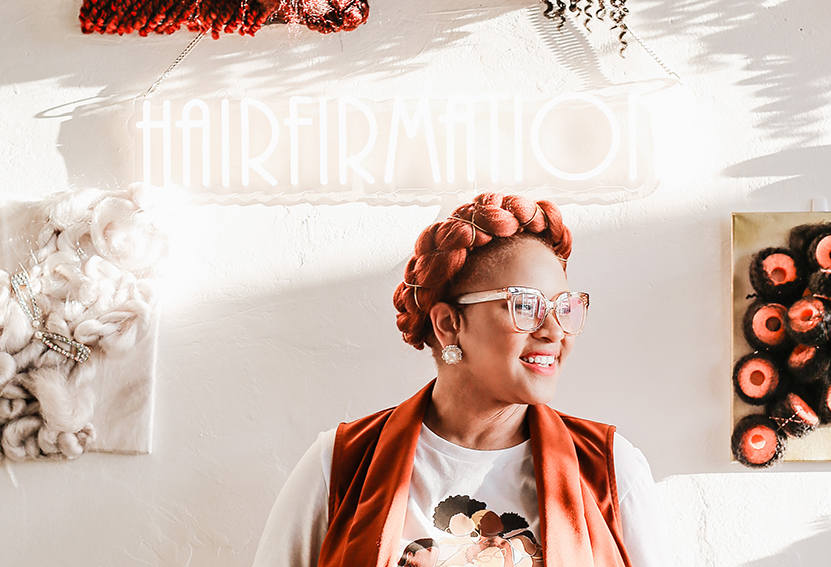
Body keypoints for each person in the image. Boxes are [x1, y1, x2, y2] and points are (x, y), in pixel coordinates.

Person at [253, 193, 670, 567]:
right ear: (450, 324)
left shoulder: (609, 468)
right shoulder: (341, 463)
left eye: (565, 307)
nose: (554, 331)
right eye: (525, 305)